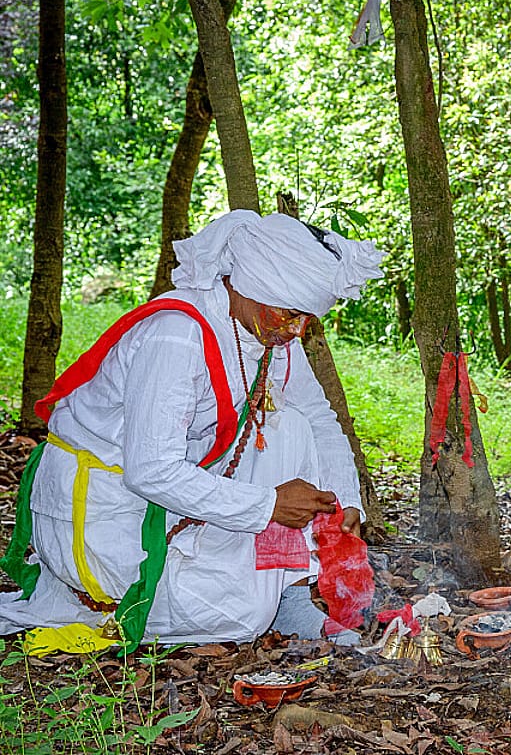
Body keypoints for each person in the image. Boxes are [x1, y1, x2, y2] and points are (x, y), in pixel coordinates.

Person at [0, 209, 385, 653]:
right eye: (288, 315)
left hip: (168, 504)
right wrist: (268, 504)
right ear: (253, 286)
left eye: (304, 319)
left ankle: (289, 594)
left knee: (293, 425)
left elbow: (318, 417)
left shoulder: (269, 335)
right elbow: (150, 472)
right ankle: (94, 597)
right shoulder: (176, 336)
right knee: (244, 613)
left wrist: (345, 496)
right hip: (101, 513)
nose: (295, 330)